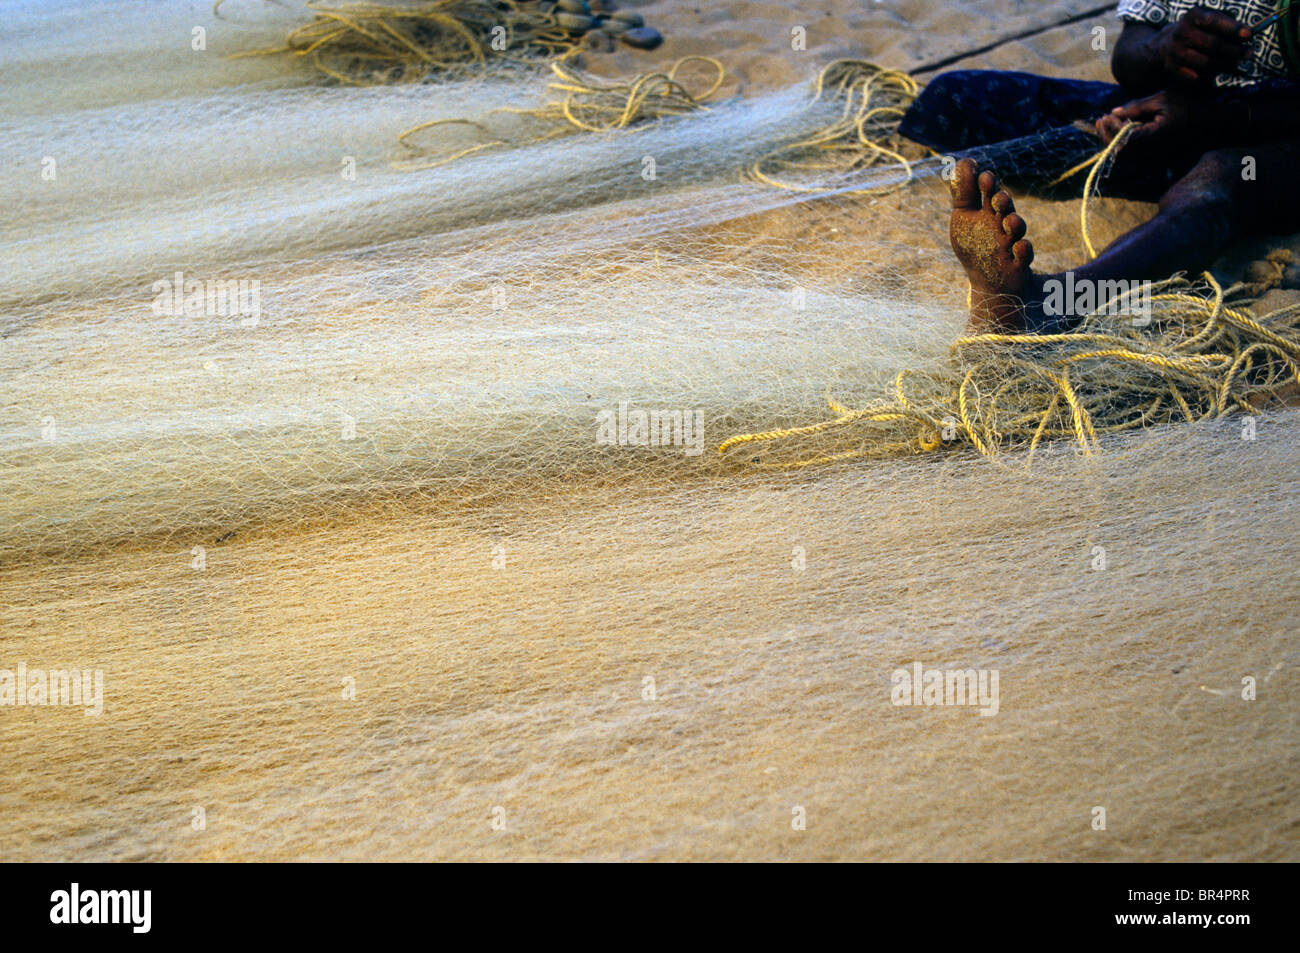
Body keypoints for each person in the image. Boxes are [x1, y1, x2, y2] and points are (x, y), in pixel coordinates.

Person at [897, 2, 1300, 332]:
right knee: (951, 97)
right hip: (1178, 110)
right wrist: (1166, 46)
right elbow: (1128, 54)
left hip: (1276, 137)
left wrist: (1221, 116)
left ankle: (1050, 304)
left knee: (1216, 182)